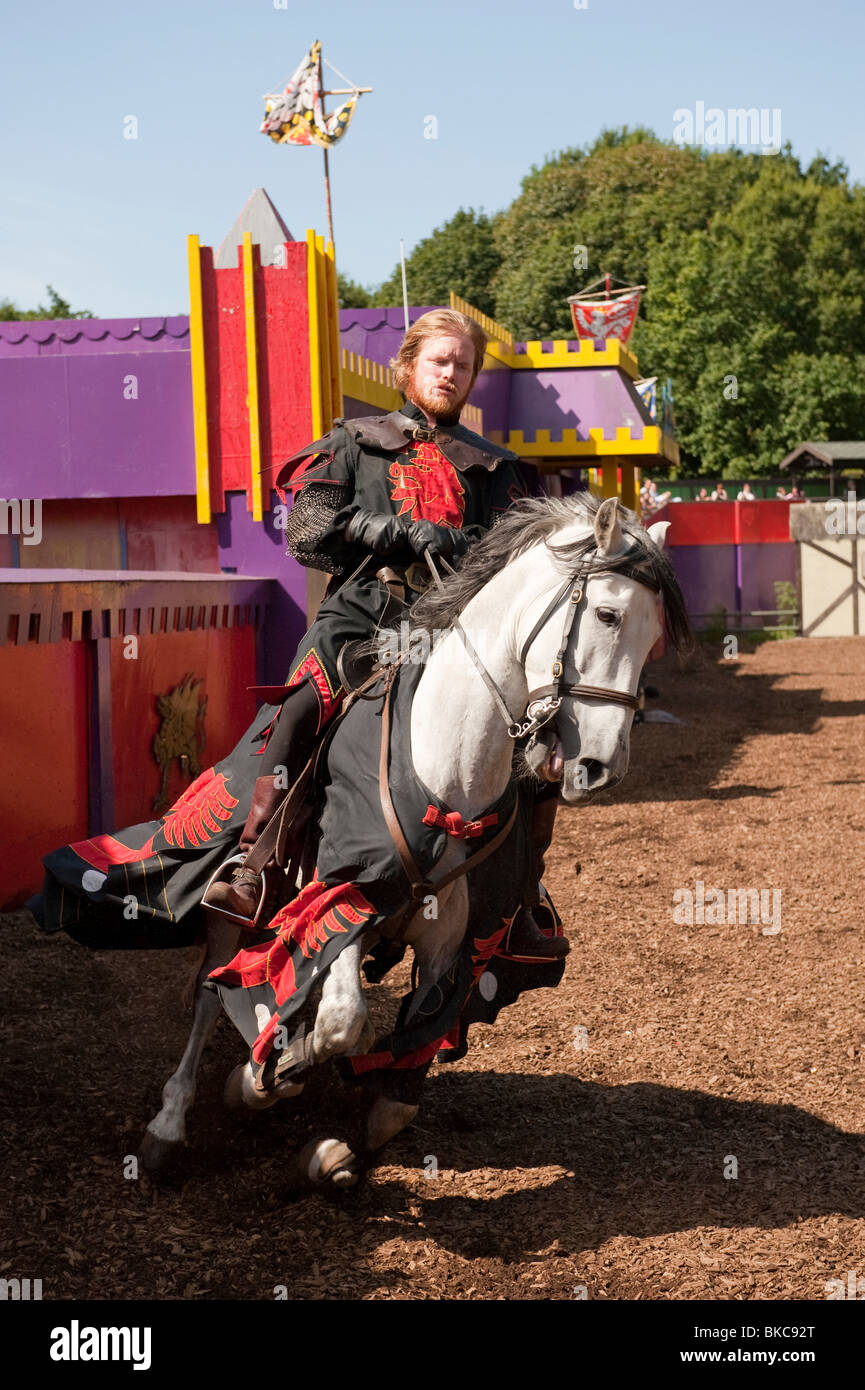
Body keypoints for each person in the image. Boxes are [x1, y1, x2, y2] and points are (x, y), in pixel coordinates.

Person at [36, 308, 566, 960]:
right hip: (363, 619)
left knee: (537, 743)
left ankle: (522, 900)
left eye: (461, 364)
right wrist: (388, 531)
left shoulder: (496, 469)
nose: (450, 372)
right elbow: (307, 534)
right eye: (439, 360)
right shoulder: (353, 442)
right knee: (301, 706)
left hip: (455, 632)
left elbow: (522, 564)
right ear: (407, 368)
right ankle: (250, 866)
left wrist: (469, 548)